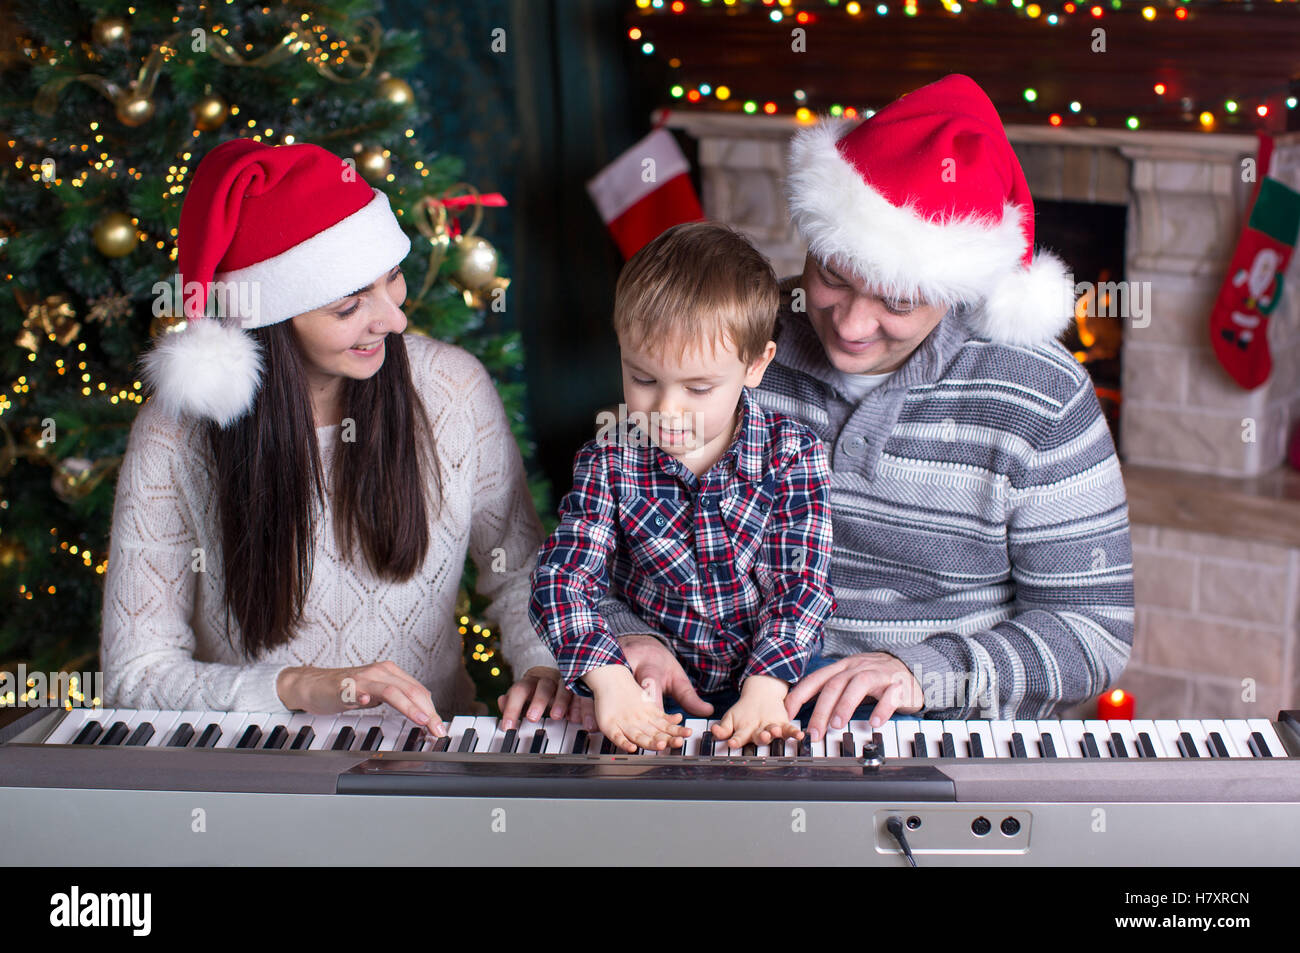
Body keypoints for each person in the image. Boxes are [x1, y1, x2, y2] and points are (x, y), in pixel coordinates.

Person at [595, 74, 1135, 742]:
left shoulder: (1041, 395)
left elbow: (1093, 633)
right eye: (833, 277)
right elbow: (606, 547)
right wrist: (629, 639)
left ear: (955, 289)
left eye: (898, 303)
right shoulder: (725, 346)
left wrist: (923, 671)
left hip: (937, 738)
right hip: (722, 721)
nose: (850, 324)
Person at [100, 139, 557, 734]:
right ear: (270, 319)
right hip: (255, 773)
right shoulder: (176, 431)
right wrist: (298, 687)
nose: (394, 319)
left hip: (428, 759)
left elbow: (522, 570)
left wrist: (546, 665)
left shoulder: (453, 389)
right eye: (348, 307)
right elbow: (135, 675)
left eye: (392, 278)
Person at [526, 221, 836, 753]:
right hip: (654, 678)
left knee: (823, 747)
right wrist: (608, 678)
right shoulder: (609, 459)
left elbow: (799, 587)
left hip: (777, 673)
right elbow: (562, 580)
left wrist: (766, 687)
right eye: (643, 378)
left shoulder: (793, 455)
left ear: (757, 364)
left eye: (698, 387)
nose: (665, 410)